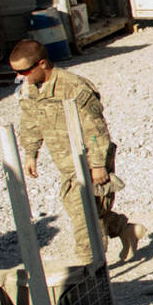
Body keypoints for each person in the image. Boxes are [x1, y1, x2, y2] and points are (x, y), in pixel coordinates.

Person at [10, 40, 144, 264]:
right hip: (67, 165)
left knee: (86, 218)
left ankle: (90, 270)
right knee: (83, 210)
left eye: (23, 71)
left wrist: (99, 164)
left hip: (90, 161)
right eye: (15, 73)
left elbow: (96, 129)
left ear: (42, 64)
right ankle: (125, 229)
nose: (19, 77)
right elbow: (30, 121)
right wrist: (31, 153)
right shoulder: (30, 89)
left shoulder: (74, 88)